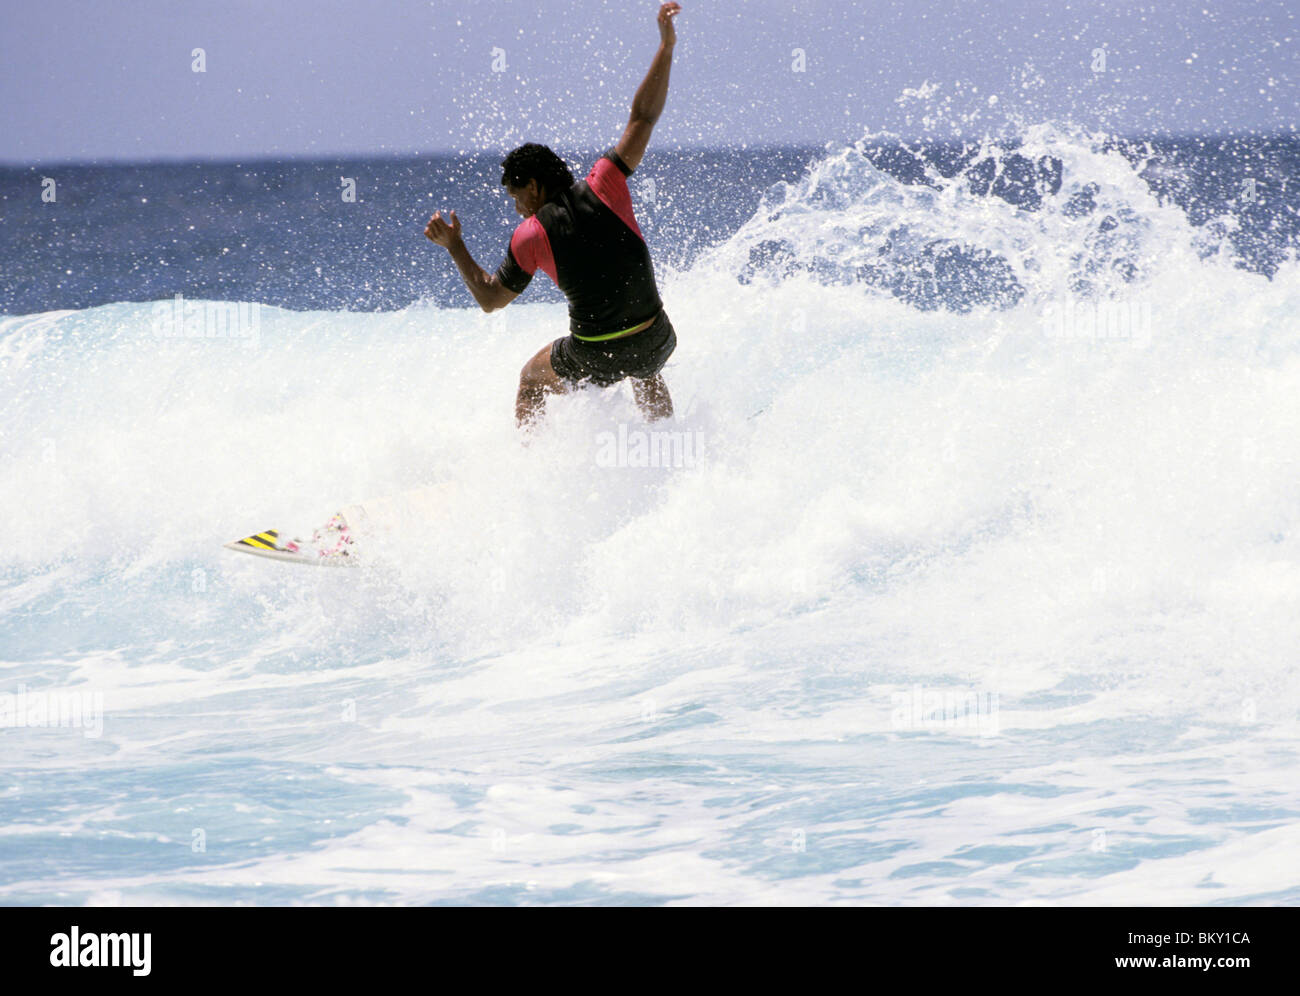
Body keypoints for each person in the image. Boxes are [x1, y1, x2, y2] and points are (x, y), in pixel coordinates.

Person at [425, 2, 682, 429]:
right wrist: (666, 46)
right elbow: (643, 116)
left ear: (532, 186)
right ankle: (672, 442)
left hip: (595, 353)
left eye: (515, 196)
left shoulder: (530, 235)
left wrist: (455, 246)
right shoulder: (606, 182)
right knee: (645, 365)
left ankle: (530, 471)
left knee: (531, 380)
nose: (516, 206)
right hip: (657, 336)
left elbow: (490, 299)